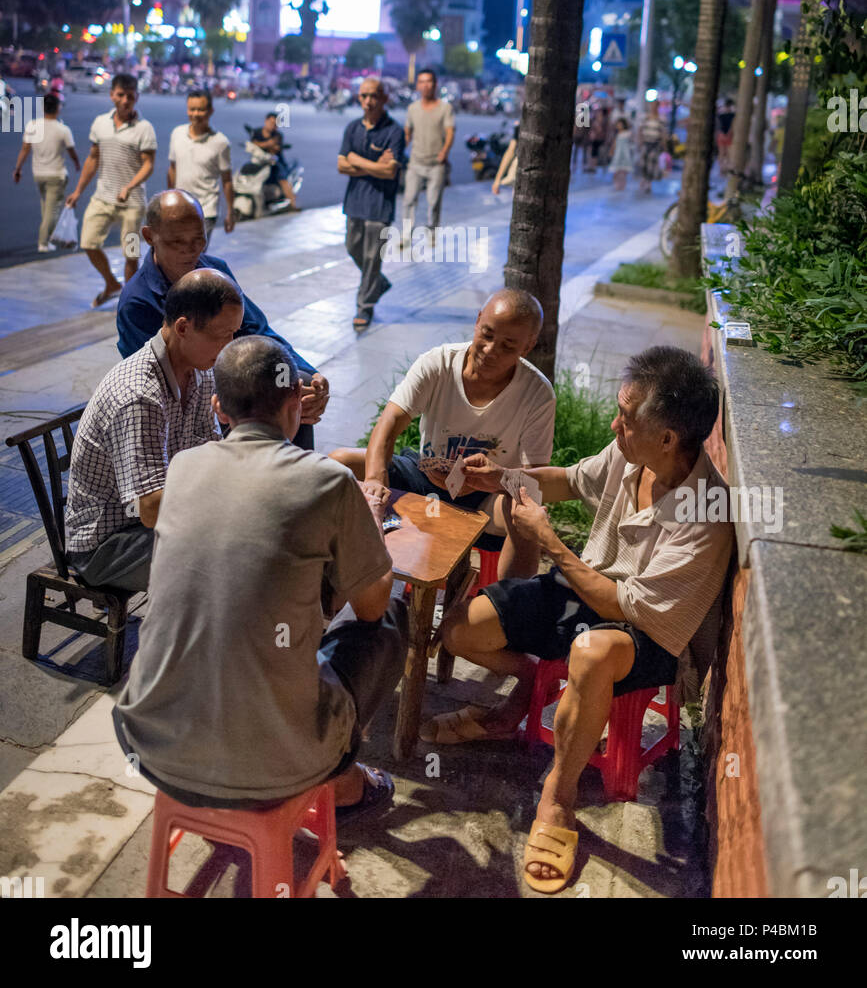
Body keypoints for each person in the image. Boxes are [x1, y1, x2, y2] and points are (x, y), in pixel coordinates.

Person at [424, 347, 732, 894]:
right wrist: (504, 477)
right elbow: (569, 479)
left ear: (667, 438)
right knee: (461, 629)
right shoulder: (630, 454)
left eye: (627, 419)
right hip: (591, 593)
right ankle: (527, 690)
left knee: (591, 653)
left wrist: (548, 541)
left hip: (652, 636)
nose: (616, 425)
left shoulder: (705, 512)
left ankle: (557, 800)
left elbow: (623, 606)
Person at [113, 334, 408, 820]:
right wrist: (371, 513)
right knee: (391, 617)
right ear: (296, 401)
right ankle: (341, 776)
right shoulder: (328, 480)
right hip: (271, 767)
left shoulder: (182, 469)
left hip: (150, 742)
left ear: (218, 409)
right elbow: (372, 605)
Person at [330, 289, 555, 580]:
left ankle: (503, 609)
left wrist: (491, 479)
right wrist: (375, 481)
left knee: (525, 507)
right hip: (425, 478)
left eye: (508, 346)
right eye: (486, 335)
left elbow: (533, 477)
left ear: (528, 346)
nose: (490, 350)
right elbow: (387, 427)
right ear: (477, 321)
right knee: (340, 463)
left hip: (488, 500)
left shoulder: (538, 393)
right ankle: (333, 577)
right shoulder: (438, 363)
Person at [64, 269, 244, 594]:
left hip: (148, 525)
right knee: (231, 557)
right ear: (183, 327)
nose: (228, 346)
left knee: (249, 532)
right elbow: (150, 509)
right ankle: (182, 644)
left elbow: (210, 454)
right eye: (221, 335)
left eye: (234, 334)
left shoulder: (199, 373)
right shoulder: (140, 395)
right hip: (106, 545)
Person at [116, 190, 328, 449]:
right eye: (176, 242)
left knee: (295, 383)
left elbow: (258, 332)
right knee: (277, 399)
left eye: (198, 240)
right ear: (149, 237)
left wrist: (309, 375)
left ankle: (293, 476)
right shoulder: (136, 302)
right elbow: (162, 383)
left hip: (235, 379)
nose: (189, 250)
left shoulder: (216, 272)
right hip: (192, 401)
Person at [65, 73, 157, 307]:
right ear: (112, 95)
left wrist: (129, 186)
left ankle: (130, 302)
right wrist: (77, 191)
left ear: (137, 96)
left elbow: (148, 164)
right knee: (88, 242)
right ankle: (111, 283)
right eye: (121, 95)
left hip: (133, 204)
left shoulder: (145, 129)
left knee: (131, 253)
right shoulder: (100, 123)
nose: (126, 100)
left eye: (130, 95)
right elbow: (93, 159)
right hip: (103, 197)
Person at [337, 78, 405, 331]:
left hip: (380, 204)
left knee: (371, 258)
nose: (368, 101)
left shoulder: (394, 131)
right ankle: (378, 283)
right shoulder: (353, 128)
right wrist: (376, 164)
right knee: (352, 247)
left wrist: (357, 159)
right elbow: (341, 165)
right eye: (364, 96)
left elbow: (390, 173)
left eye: (374, 95)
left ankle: (364, 307)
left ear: (384, 98)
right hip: (354, 201)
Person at [12, 92, 80, 250]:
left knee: (46, 207)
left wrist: (18, 169)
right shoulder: (63, 129)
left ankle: (48, 237)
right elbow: (71, 151)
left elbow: (24, 149)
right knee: (52, 210)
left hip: (38, 174)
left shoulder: (32, 126)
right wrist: (76, 163)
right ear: (58, 108)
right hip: (56, 174)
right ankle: (44, 242)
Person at [167, 89, 235, 242]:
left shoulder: (221, 142)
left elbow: (227, 180)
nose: (196, 114)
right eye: (192, 109)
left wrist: (230, 212)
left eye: (201, 109)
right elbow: (172, 169)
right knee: (177, 257)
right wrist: (169, 200)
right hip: (179, 209)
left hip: (205, 210)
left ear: (211, 111)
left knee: (194, 257)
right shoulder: (177, 133)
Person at [403, 68, 455, 237]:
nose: (425, 85)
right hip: (416, 162)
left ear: (435, 84)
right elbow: (407, 133)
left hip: (436, 164)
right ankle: (406, 233)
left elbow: (450, 132)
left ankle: (432, 232)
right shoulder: (412, 108)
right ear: (417, 85)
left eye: (429, 81)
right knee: (409, 199)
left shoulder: (445, 108)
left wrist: (444, 153)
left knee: (433, 201)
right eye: (422, 82)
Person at [250, 111, 300, 212]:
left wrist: (261, 144)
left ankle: (293, 204)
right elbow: (252, 144)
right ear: (266, 121)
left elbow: (275, 148)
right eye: (271, 122)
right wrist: (268, 144)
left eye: (275, 124)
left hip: (276, 162)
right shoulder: (257, 132)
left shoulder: (278, 135)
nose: (272, 126)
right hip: (260, 161)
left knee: (283, 179)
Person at [637, 99, 665, 194]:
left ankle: (648, 182)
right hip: (646, 142)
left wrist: (663, 144)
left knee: (651, 163)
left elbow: (663, 132)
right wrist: (640, 140)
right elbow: (640, 129)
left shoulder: (661, 119)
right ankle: (644, 179)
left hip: (655, 143)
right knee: (643, 162)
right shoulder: (645, 117)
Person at [491, 122, 520, 195]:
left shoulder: (522, 124)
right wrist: (497, 180)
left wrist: (497, 180)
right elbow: (510, 152)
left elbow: (510, 152)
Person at [609, 117, 633, 192]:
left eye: (620, 124)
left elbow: (632, 143)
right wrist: (612, 151)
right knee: (616, 170)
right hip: (618, 153)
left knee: (623, 171)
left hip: (625, 154)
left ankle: (622, 184)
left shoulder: (628, 133)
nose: (618, 126)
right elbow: (614, 144)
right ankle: (616, 183)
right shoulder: (617, 134)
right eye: (618, 124)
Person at [716, 96, 736, 174]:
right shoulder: (733, 115)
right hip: (728, 135)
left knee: (722, 153)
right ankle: (724, 168)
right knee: (726, 153)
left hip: (722, 135)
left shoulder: (721, 115)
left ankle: (722, 168)